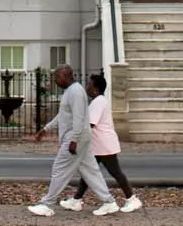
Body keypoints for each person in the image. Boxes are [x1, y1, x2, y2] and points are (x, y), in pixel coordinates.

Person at [27, 64, 118, 217]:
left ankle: (47, 204)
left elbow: (78, 118)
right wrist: (46, 129)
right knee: (91, 171)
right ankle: (109, 202)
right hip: (80, 136)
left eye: (56, 77)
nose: (56, 81)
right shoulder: (71, 91)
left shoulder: (75, 91)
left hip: (76, 137)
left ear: (65, 76)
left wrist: (74, 139)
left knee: (60, 169)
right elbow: (62, 115)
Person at [65, 73, 141, 213]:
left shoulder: (99, 101)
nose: (86, 86)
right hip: (99, 145)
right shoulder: (97, 101)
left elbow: (90, 125)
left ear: (95, 89)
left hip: (104, 145)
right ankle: (76, 200)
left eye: (89, 84)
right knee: (89, 173)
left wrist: (75, 141)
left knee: (115, 172)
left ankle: (132, 199)